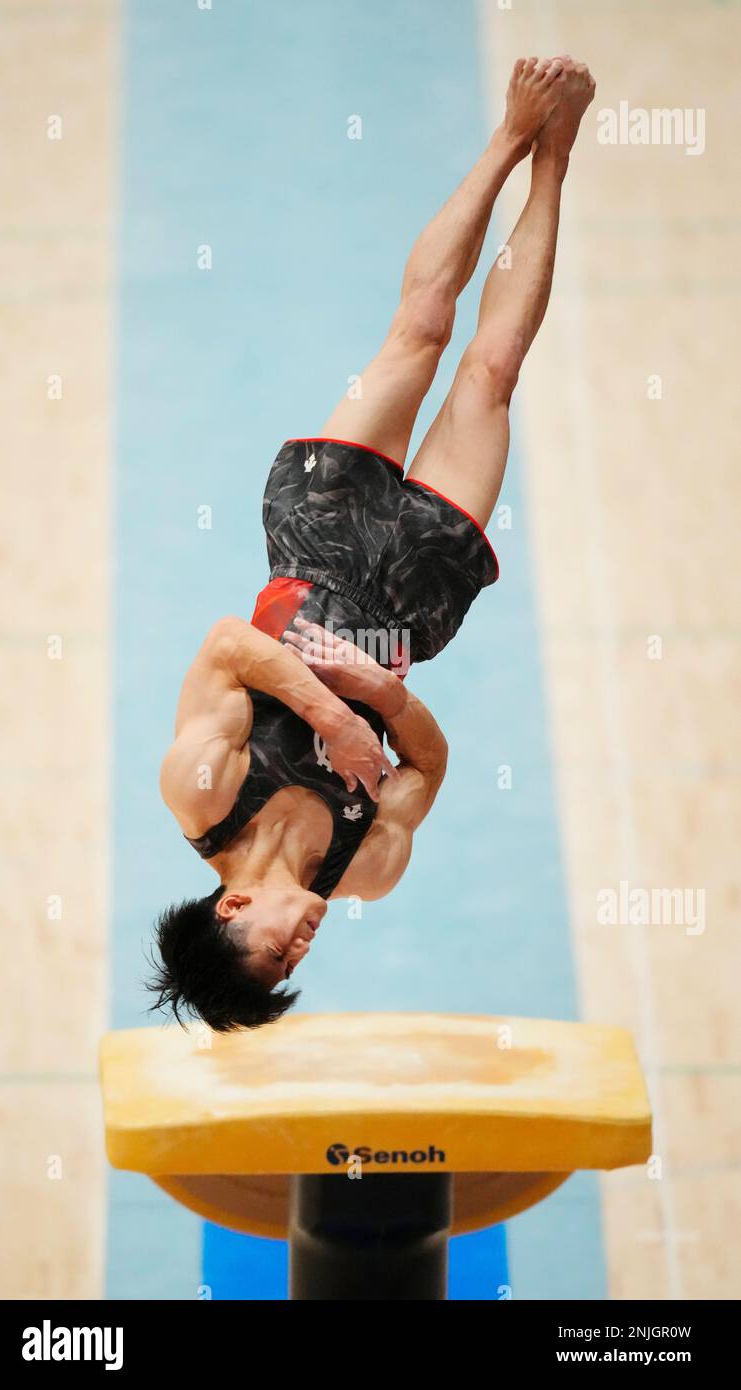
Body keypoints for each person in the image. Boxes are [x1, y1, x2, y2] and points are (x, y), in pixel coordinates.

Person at [150, 57, 595, 1031]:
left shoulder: (201, 793)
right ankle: (555, 158)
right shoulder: (369, 868)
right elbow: (428, 766)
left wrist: (337, 721)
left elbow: (228, 644)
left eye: (276, 950)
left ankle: (509, 136)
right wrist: (384, 700)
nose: (302, 947)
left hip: (319, 536)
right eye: (295, 966)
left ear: (232, 907)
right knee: (492, 371)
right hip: (416, 600)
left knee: (420, 331)